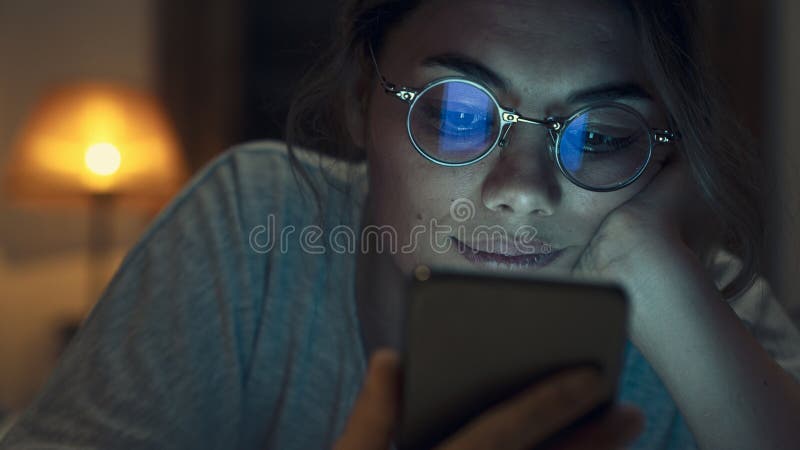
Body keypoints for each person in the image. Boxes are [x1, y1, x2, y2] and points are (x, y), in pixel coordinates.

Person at [2, 0, 800, 449]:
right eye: (456, 113)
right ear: (359, 100)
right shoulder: (254, 228)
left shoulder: (706, 311)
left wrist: (657, 272)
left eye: (599, 135)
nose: (523, 191)